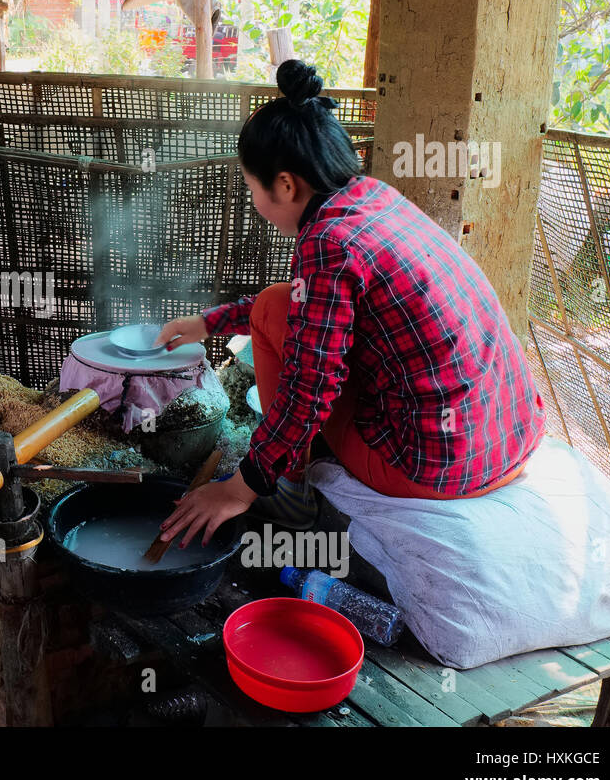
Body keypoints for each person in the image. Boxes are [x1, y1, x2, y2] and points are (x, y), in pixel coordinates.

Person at [155, 59, 546, 550]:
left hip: (435, 468)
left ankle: (290, 492)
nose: (254, 201)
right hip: (508, 439)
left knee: (274, 315)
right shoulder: (373, 198)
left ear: (286, 185)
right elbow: (311, 309)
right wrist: (209, 323)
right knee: (276, 306)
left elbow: (310, 388)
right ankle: (295, 466)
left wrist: (240, 487)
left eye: (252, 189)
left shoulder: (328, 243)